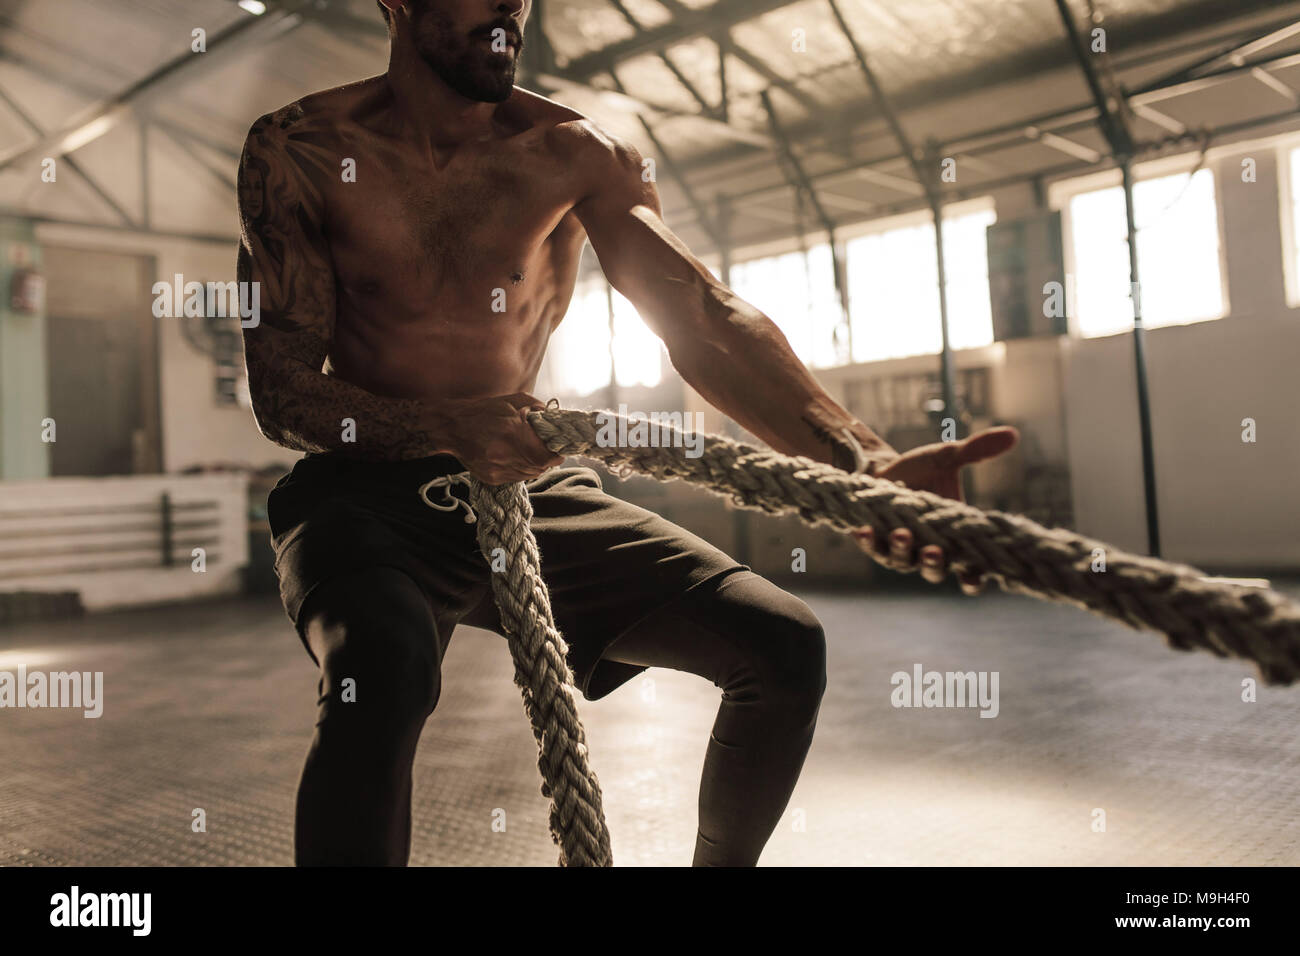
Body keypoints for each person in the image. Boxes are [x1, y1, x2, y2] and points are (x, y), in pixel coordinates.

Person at [236, 0, 1018, 866]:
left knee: (781, 647)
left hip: (524, 485)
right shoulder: (301, 150)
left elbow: (704, 318)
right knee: (379, 671)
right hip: (361, 492)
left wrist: (861, 460)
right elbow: (282, 392)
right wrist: (443, 422)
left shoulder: (578, 156)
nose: (507, 5)